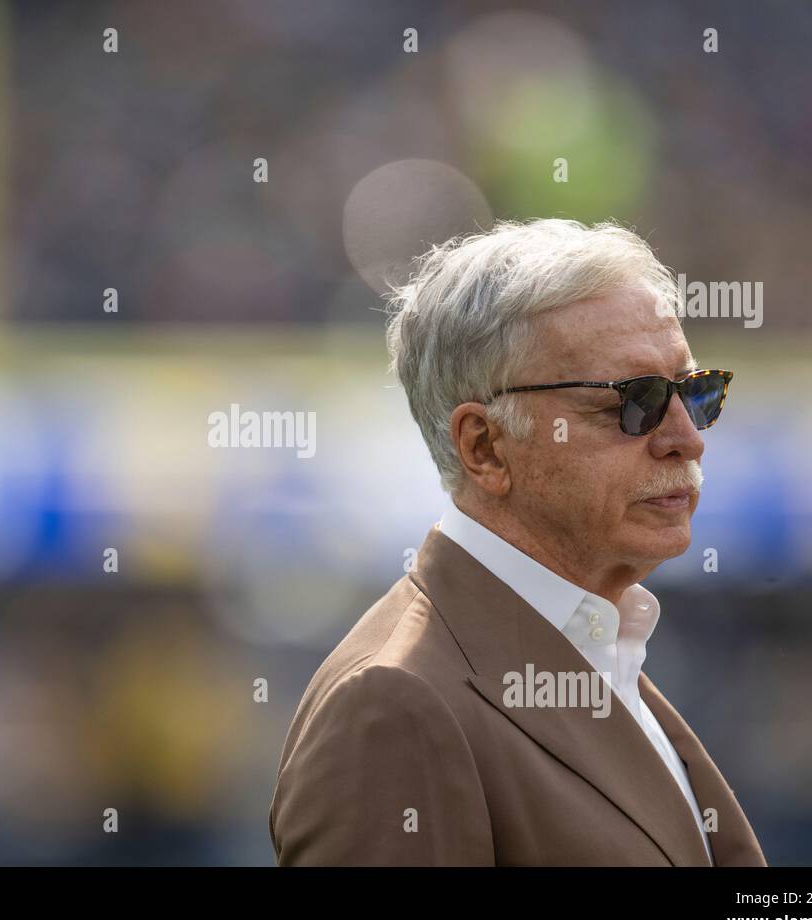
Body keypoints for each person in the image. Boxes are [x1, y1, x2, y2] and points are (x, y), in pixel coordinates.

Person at [269, 219, 766, 866]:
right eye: (634, 402)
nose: (687, 438)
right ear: (484, 446)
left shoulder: (594, 642)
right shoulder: (396, 709)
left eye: (697, 393)